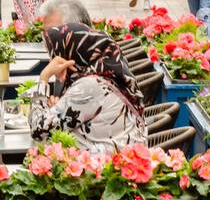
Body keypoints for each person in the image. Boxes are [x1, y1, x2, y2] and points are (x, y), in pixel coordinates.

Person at [29, 20, 148, 152]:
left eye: (54, 56)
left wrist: (44, 77)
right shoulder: (107, 74)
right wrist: (56, 109)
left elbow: (38, 130)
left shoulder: (89, 86)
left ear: (70, 55)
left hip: (108, 166)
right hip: (123, 160)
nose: (52, 62)